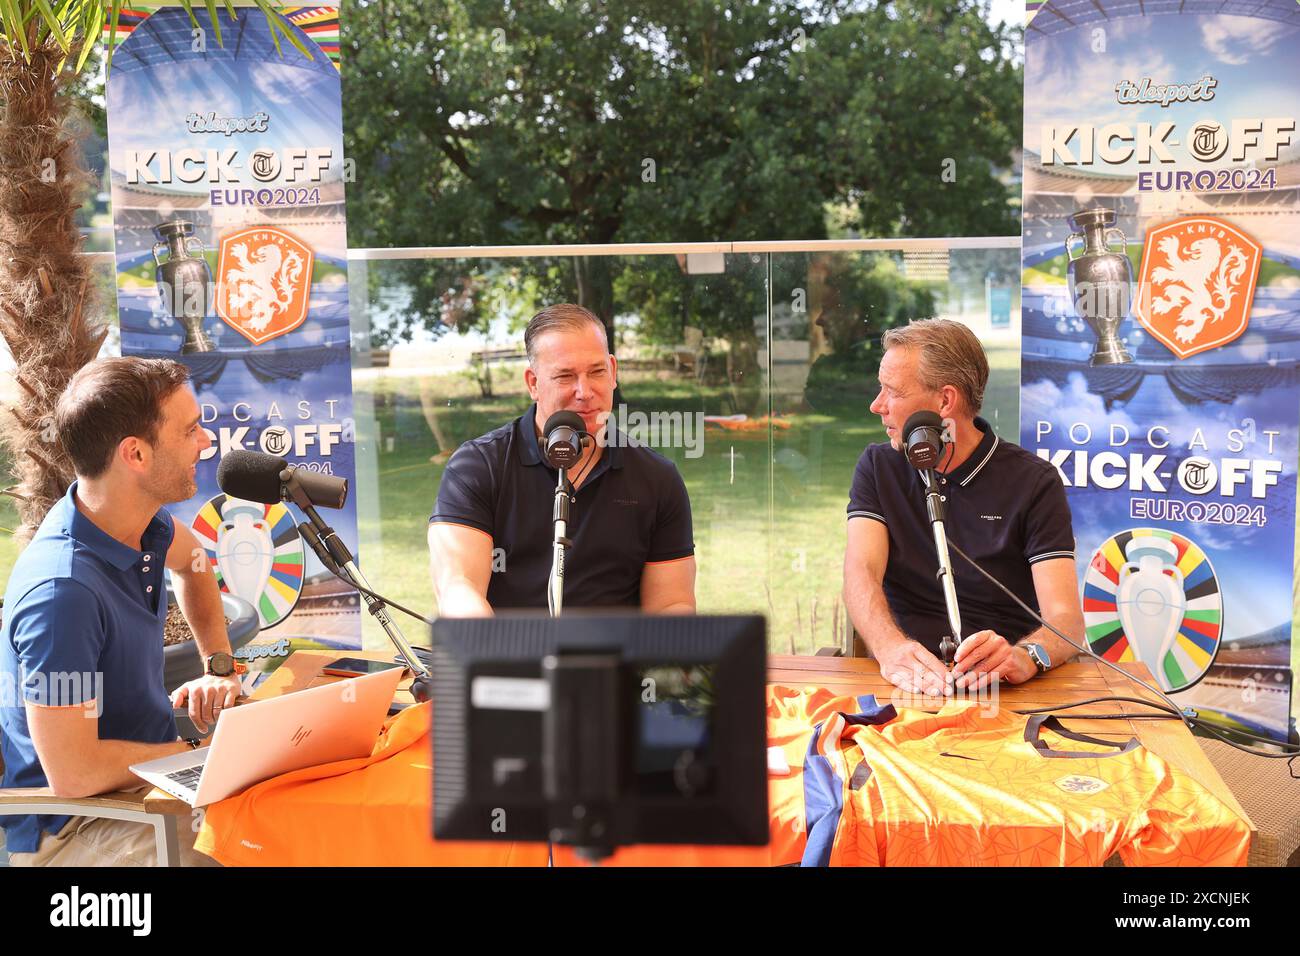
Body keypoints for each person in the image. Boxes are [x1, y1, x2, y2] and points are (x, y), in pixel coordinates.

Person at [0, 358, 239, 866]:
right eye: (191, 429)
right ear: (135, 453)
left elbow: (195, 566)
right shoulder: (63, 594)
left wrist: (218, 665)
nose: (205, 442)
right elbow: (76, 773)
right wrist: (207, 754)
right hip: (72, 825)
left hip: (149, 788)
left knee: (291, 823)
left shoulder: (148, 527)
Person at [842, 319, 1083, 696]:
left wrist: (1026, 656)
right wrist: (890, 648)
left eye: (892, 391)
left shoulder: (1035, 482)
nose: (877, 406)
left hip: (1001, 692)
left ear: (945, 401)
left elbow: (1066, 621)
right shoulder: (878, 466)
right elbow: (861, 572)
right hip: (904, 682)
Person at [428, 303, 696, 615]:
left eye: (597, 371)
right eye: (565, 376)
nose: (584, 391)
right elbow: (458, 588)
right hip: (504, 657)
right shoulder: (477, 467)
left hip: (616, 661)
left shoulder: (657, 478)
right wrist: (494, 655)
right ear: (533, 383)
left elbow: (672, 604)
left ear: (613, 372)